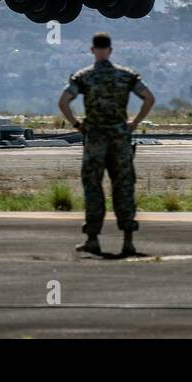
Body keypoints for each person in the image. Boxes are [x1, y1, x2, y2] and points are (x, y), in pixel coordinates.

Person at [58, 32, 155, 256]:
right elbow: (149, 98)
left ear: (93, 50)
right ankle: (128, 241)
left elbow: (63, 101)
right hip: (120, 138)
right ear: (110, 50)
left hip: (95, 138)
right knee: (123, 186)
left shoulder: (84, 77)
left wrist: (77, 124)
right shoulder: (126, 76)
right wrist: (134, 123)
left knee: (93, 187)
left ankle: (93, 238)